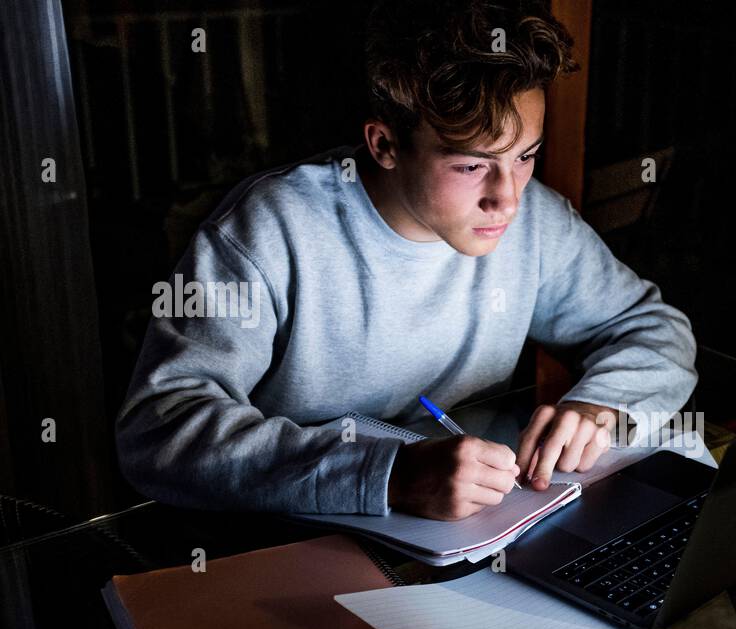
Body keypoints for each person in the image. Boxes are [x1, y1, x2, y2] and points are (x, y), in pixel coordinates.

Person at [115, 0, 697, 521]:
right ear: (385, 145)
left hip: (461, 532)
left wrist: (601, 407)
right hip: (285, 540)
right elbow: (160, 429)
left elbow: (655, 328)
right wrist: (386, 474)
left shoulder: (534, 221)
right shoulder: (269, 230)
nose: (508, 196)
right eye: (472, 166)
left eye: (525, 156)